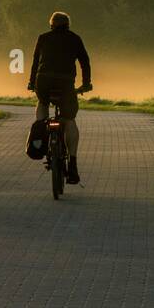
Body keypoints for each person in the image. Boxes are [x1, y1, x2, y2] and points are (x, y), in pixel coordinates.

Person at [27, 11, 92, 184]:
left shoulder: (43, 38)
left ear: (52, 24)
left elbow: (35, 62)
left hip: (44, 82)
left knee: (42, 102)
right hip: (65, 84)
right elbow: (85, 61)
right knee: (69, 120)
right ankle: (72, 162)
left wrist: (32, 82)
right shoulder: (75, 38)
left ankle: (41, 133)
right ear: (68, 24)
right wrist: (86, 84)